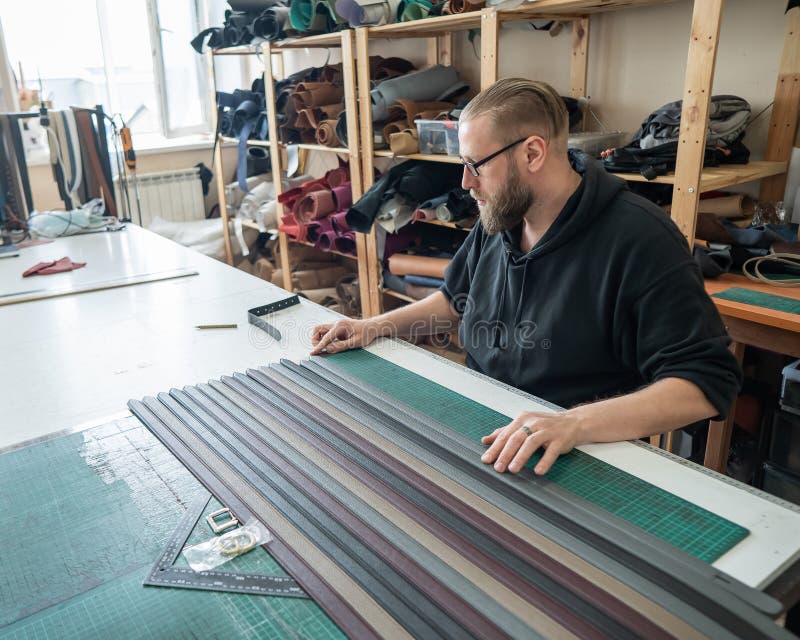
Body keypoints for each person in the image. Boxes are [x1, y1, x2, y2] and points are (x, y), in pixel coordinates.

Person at [311, 78, 741, 477]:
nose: (465, 183)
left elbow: (704, 381)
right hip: (486, 417)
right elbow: (453, 301)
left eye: (475, 165)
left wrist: (572, 424)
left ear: (532, 153)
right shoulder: (500, 215)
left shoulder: (639, 238)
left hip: (579, 449)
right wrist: (371, 327)